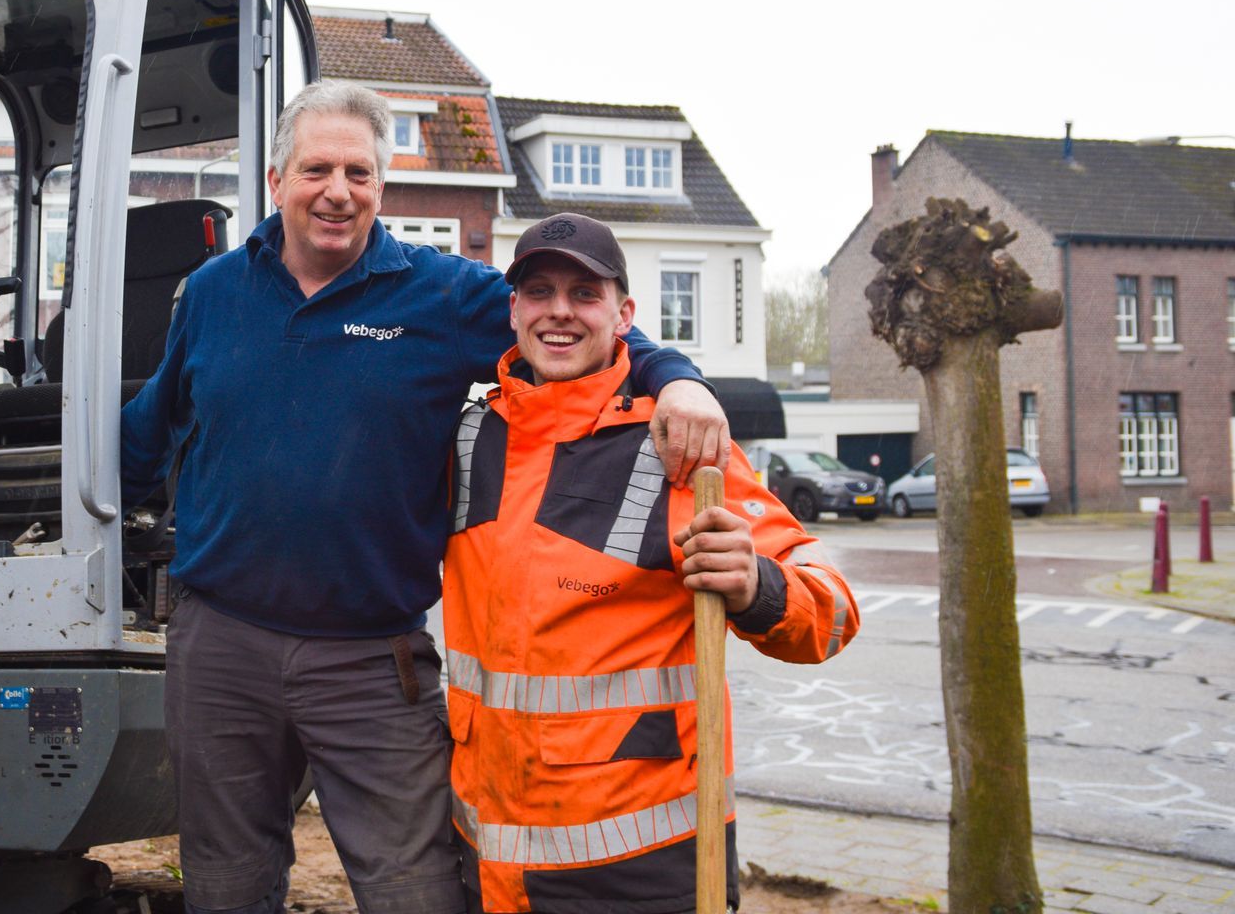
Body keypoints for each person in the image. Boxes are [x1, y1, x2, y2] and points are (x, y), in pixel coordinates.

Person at [121, 81, 732, 914]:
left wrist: (681, 382)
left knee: (415, 892)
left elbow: (573, 322)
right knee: (224, 882)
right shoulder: (214, 292)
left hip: (372, 662)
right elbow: (152, 423)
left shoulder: (439, 295)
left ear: (382, 185)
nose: (339, 191)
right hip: (222, 648)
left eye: (360, 173)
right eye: (317, 170)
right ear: (275, 181)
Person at [444, 213, 859, 914]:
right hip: (483, 853)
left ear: (624, 314)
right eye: (540, 291)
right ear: (512, 310)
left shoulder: (681, 444)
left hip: (643, 865)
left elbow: (833, 613)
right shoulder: (470, 437)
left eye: (584, 294)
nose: (559, 312)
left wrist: (757, 584)